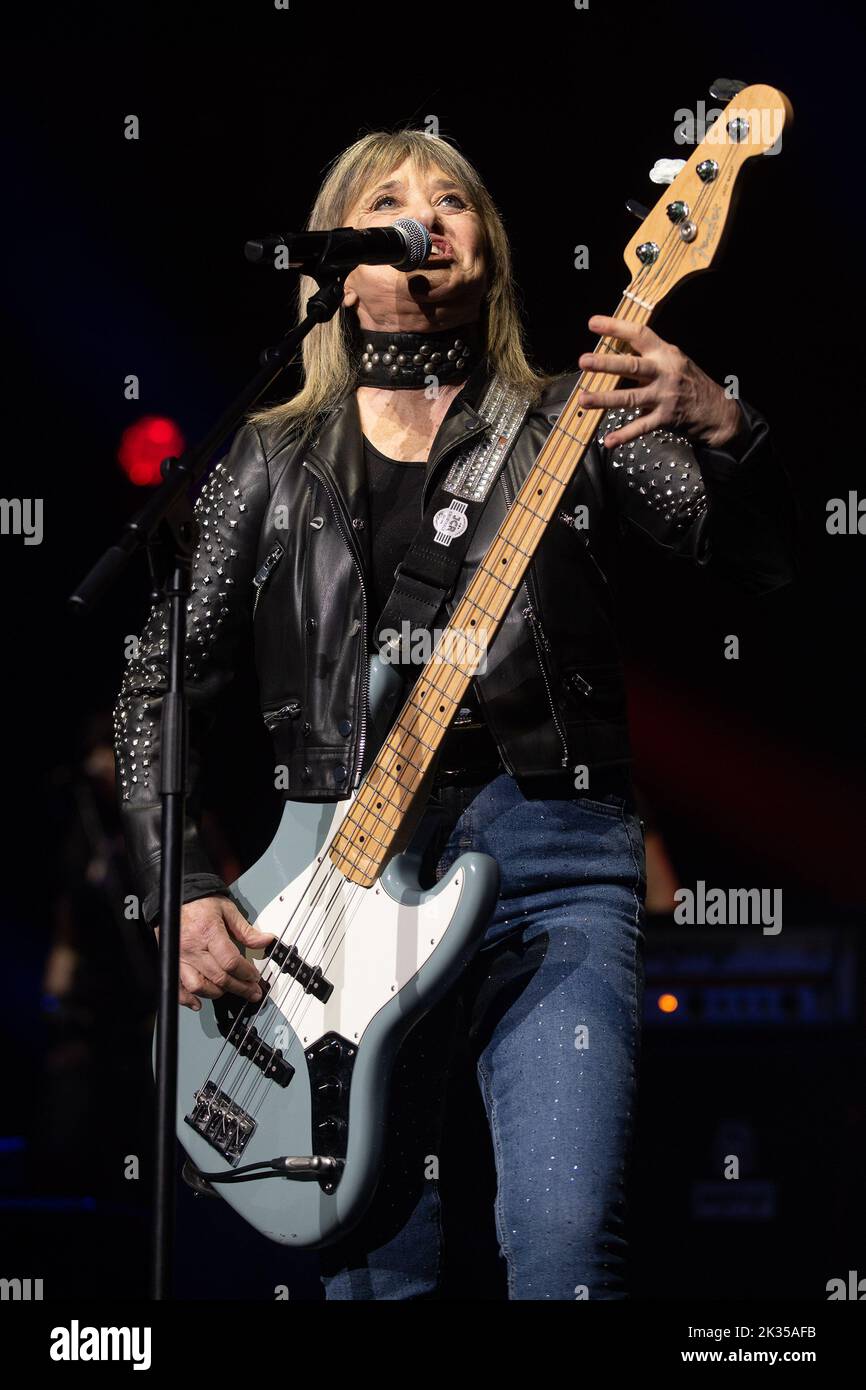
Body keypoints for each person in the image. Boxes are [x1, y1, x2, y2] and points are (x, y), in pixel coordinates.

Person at [113, 128, 794, 1299]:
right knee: (380, 1274)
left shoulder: (567, 415)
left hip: (551, 857)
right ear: (339, 258)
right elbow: (152, 690)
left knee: (564, 1246)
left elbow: (760, 561)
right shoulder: (270, 461)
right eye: (387, 203)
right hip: (332, 893)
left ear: (485, 252)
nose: (425, 217)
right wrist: (181, 887)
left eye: (452, 202)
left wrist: (720, 420)